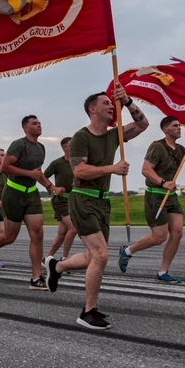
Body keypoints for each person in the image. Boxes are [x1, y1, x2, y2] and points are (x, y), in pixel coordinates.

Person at [44, 84, 149, 330]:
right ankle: (87, 312)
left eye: (113, 103)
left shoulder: (114, 136)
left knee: (93, 256)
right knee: (101, 255)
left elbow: (143, 125)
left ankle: (56, 266)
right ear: (92, 109)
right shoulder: (81, 136)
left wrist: (129, 101)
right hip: (82, 199)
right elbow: (78, 170)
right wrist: (112, 168)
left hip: (103, 202)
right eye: (106, 103)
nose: (111, 106)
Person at [117, 116, 185, 283]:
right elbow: (145, 169)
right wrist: (163, 182)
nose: (179, 128)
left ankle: (163, 272)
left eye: (179, 125)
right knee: (159, 237)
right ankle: (128, 251)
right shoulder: (157, 147)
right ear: (165, 129)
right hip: (155, 195)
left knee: (177, 233)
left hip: (170, 196)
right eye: (175, 125)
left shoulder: (179, 149)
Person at [0, 115, 56, 290]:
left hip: (32, 194)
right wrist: (29, 174)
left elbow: (38, 172)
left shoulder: (41, 147)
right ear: (25, 128)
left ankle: (36, 278)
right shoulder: (19, 144)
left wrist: (50, 186)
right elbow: (5, 167)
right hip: (13, 193)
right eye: (34, 123)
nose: (39, 125)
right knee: (9, 236)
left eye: (39, 122)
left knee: (38, 234)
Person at [44, 137, 77, 263]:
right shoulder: (57, 163)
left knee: (62, 234)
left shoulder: (78, 163)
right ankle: (64, 258)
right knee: (73, 229)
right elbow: (42, 176)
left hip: (73, 201)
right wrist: (53, 188)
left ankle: (47, 257)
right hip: (61, 201)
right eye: (71, 144)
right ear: (65, 148)